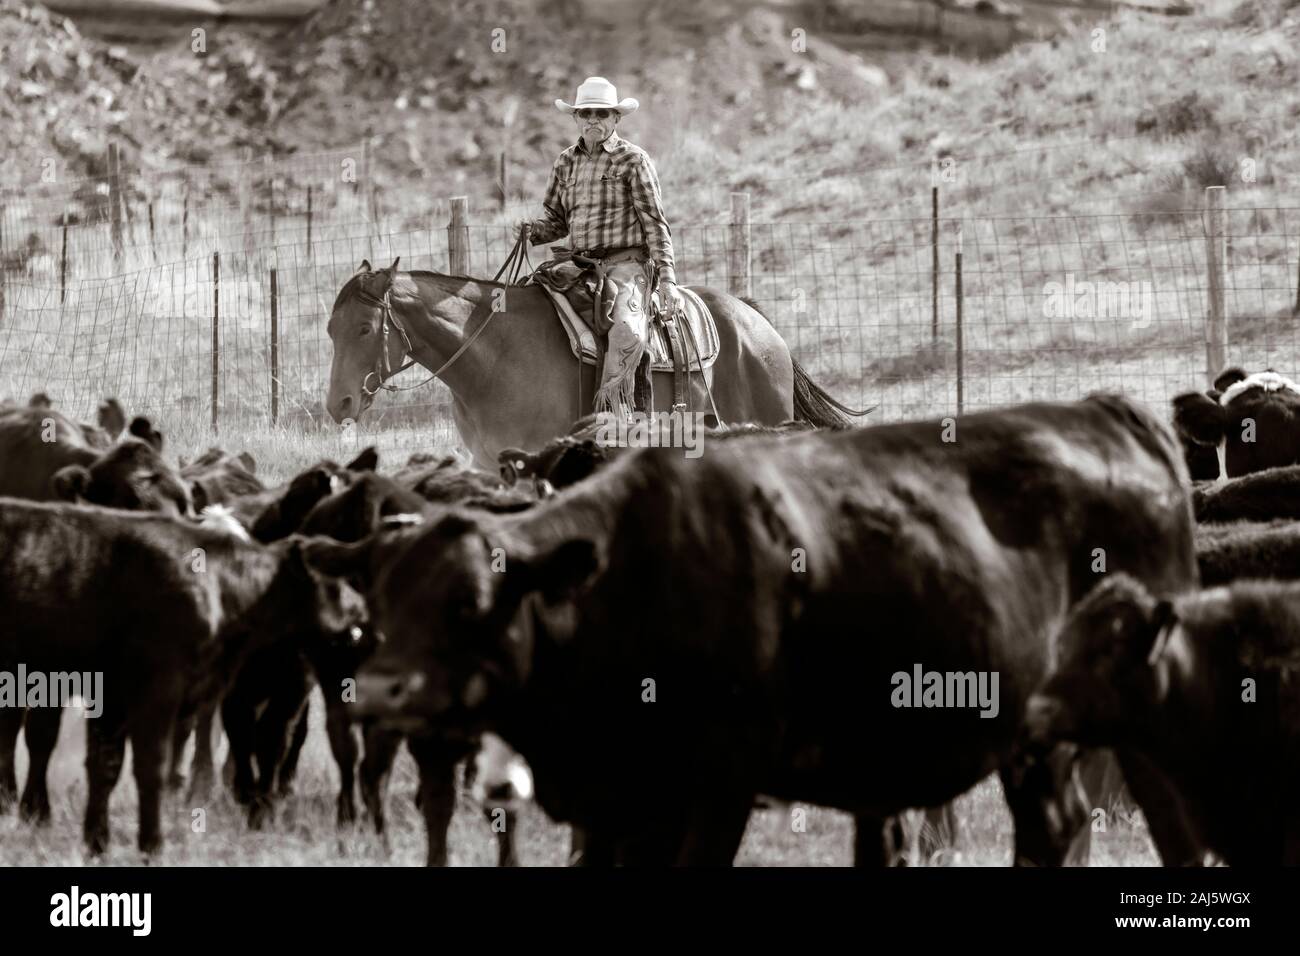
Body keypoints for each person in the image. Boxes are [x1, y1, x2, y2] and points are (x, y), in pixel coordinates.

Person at [516, 76, 679, 416]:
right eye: (586, 113)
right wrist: (533, 231)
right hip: (575, 265)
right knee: (522, 306)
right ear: (575, 117)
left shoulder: (633, 160)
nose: (593, 119)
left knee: (626, 331)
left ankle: (621, 417)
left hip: (626, 267)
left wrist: (667, 280)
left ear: (616, 118)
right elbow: (557, 222)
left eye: (601, 114)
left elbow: (654, 222)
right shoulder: (565, 162)